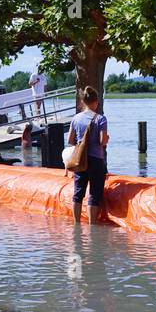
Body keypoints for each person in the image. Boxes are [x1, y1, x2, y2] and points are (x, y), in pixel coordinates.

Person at [68, 86, 109, 224]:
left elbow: (70, 140)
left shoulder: (76, 118)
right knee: (94, 194)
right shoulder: (100, 119)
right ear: (96, 102)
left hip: (81, 160)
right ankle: (93, 226)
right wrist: (107, 138)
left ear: (83, 101)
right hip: (96, 160)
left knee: (78, 192)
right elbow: (102, 141)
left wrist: (81, 143)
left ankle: (77, 224)